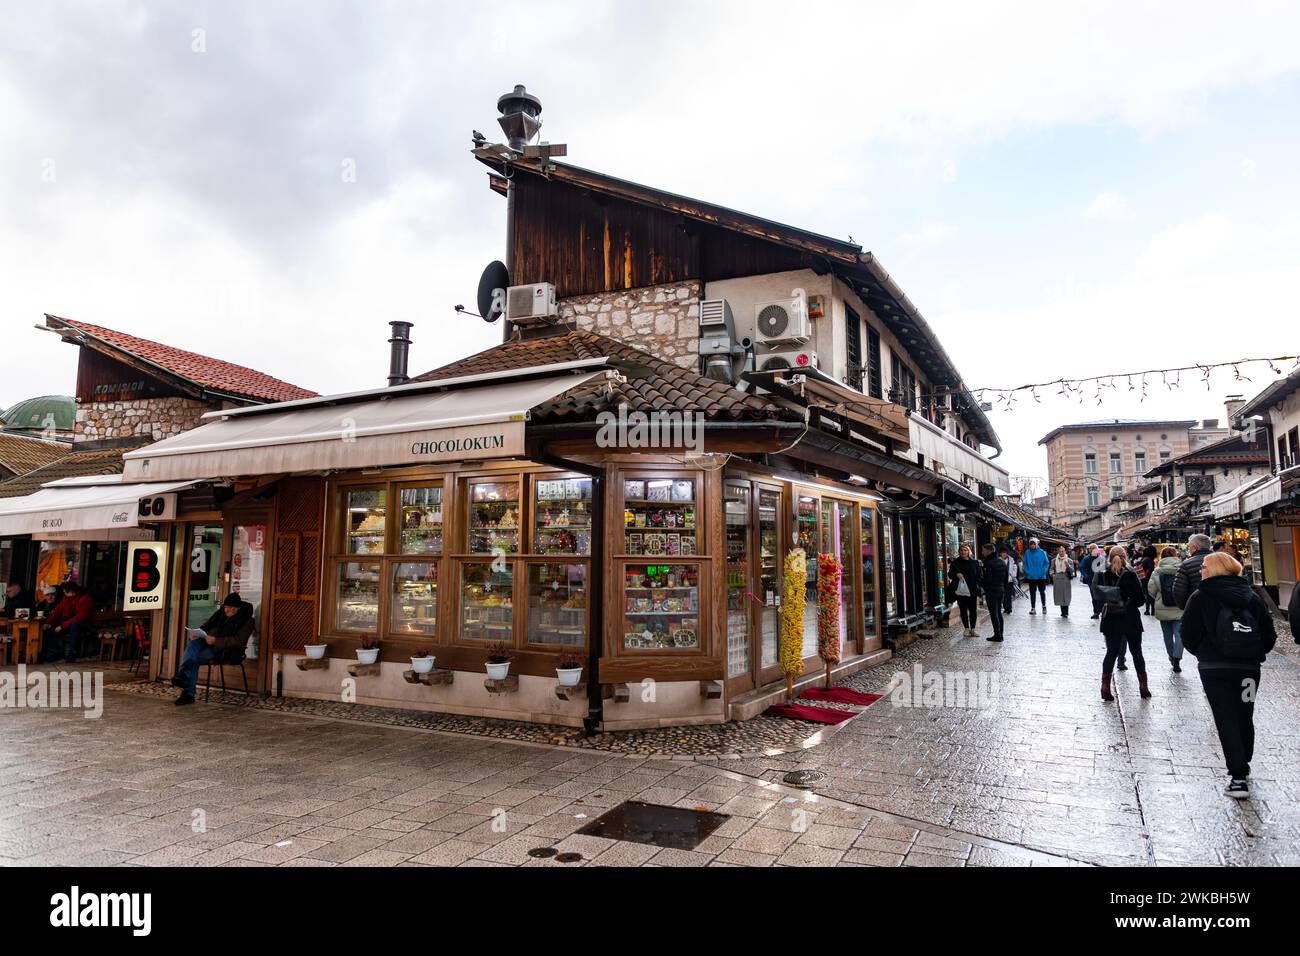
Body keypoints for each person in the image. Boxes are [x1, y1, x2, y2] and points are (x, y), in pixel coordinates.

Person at [1180, 552, 1277, 799]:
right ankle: (1243, 759)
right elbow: (1269, 634)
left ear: (1214, 570)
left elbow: (1188, 633)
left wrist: (1203, 652)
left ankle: (1238, 777)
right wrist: (1252, 653)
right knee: (1245, 712)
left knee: (1225, 717)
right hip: (1249, 670)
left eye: (1203, 567)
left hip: (1215, 670)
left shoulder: (1200, 597)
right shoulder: (1252, 597)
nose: (1201, 570)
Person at [172, 594, 255, 705]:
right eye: (225, 607)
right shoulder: (220, 614)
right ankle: (183, 676)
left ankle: (187, 691)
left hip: (224, 651)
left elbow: (238, 641)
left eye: (229, 608)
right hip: (207, 643)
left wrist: (216, 641)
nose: (226, 610)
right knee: (193, 644)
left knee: (193, 658)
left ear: (236, 608)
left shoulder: (247, 621)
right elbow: (207, 625)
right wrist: (196, 633)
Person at [1096, 545, 1151, 702]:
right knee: (1136, 653)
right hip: (1130, 619)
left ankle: (1105, 688)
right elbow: (1141, 600)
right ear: (1125, 557)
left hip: (1111, 620)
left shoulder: (1103, 575)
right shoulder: (1131, 575)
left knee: (1111, 653)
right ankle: (1143, 687)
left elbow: (1098, 596)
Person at [1148, 546, 1185, 673]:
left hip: (1163, 607)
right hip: (1180, 607)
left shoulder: (1157, 571)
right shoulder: (1182, 569)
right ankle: (1177, 658)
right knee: (1180, 635)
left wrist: (1159, 597)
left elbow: (1151, 590)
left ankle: (1171, 656)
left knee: (1167, 635)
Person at [40, 581, 95, 662]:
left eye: (65, 592)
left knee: (75, 625)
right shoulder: (66, 598)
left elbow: (80, 617)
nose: (64, 593)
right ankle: (51, 654)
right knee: (48, 630)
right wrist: (48, 623)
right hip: (68, 623)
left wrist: (62, 626)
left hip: (84, 624)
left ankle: (72, 653)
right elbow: (57, 611)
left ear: (71, 592)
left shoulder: (85, 599)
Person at [947, 544, 982, 637]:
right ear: (959, 552)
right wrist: (956, 574)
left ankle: (973, 629)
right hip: (960, 590)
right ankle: (966, 628)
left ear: (968, 552)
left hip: (972, 589)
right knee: (963, 610)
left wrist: (977, 584)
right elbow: (950, 574)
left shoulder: (974, 563)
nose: (963, 552)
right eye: (961, 550)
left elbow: (979, 575)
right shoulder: (955, 563)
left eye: (965, 550)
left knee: (973, 610)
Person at [1173, 533, 1213, 609]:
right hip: (1220, 610)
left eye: (1189, 546)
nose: (1188, 549)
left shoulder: (1186, 564)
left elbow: (1179, 591)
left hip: (1196, 607)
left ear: (1195, 548)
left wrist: (1186, 607)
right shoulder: (1222, 560)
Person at [980, 543, 1007, 642]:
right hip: (1001, 589)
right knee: (998, 612)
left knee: (994, 613)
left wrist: (982, 585)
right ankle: (1000, 633)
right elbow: (1005, 577)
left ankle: (998, 635)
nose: (982, 552)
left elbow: (987, 579)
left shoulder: (989, 563)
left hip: (992, 590)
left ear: (988, 551)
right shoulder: (1001, 562)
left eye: (983, 550)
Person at [1021, 538, 1050, 615]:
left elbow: (1046, 563)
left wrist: (1043, 572)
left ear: (1036, 544)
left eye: (1034, 544)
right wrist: (1028, 572)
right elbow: (1025, 563)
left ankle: (1044, 606)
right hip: (1031, 577)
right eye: (1031, 544)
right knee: (1032, 593)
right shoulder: (1027, 553)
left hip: (1041, 576)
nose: (1032, 545)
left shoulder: (1042, 552)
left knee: (1042, 592)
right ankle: (1033, 608)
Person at [1050, 545, 1075, 618]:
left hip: (1065, 578)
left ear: (1065, 552)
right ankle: (1062, 612)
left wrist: (1068, 566)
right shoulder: (1054, 560)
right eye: (1060, 551)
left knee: (1066, 595)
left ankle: (1066, 612)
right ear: (1058, 552)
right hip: (1057, 579)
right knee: (1060, 596)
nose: (1061, 553)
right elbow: (1051, 569)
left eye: (1063, 551)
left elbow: (1072, 570)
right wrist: (1052, 575)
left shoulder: (1069, 560)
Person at [998, 545, 1017, 616]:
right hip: (1000, 580)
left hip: (1009, 580)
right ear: (1000, 553)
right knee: (1002, 595)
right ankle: (1004, 607)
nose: (1004, 554)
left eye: (1005, 552)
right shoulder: (998, 560)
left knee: (1008, 595)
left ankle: (1009, 608)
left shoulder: (1011, 560)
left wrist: (1013, 576)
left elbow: (1015, 567)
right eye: (1002, 553)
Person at [1139, 545, 1157, 615]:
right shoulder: (1149, 560)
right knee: (1150, 595)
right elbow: (1151, 569)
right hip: (1148, 579)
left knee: (1147, 595)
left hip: (1144, 579)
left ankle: (1148, 610)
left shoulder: (1144, 559)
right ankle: (1152, 610)